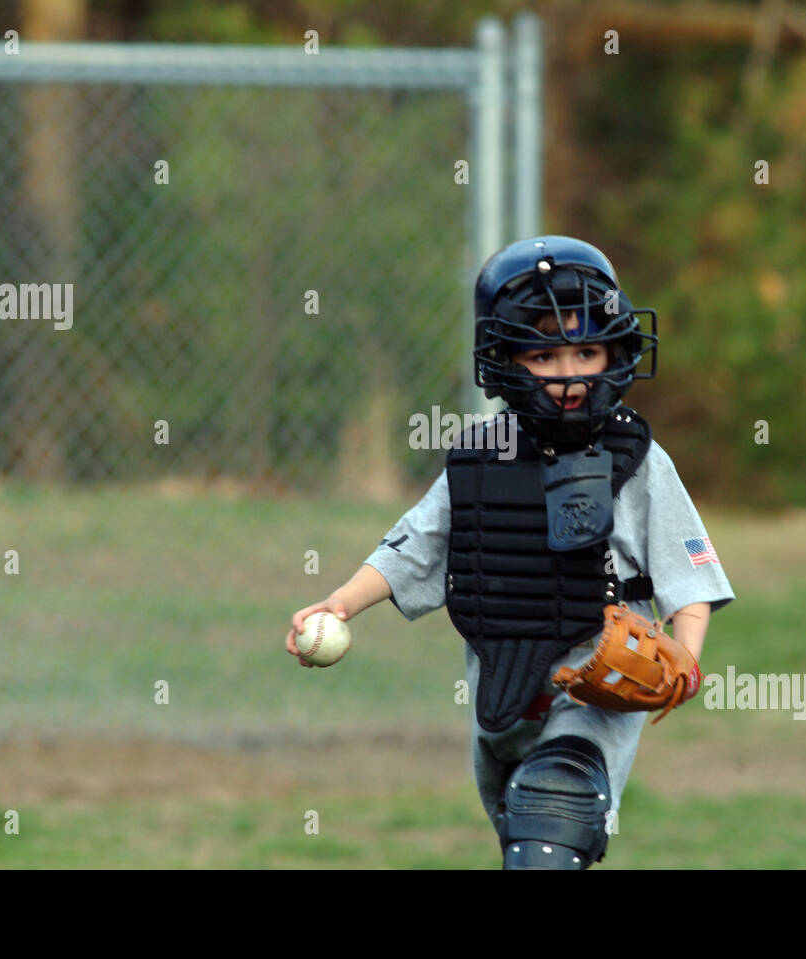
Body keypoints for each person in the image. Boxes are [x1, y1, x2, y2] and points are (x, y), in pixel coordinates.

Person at [286, 235, 734, 868]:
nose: (571, 373)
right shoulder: (479, 457)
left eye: (587, 350)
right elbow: (414, 548)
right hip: (499, 695)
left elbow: (689, 574)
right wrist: (340, 601)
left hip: (596, 695)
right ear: (504, 359)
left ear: (617, 350)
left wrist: (685, 659)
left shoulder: (637, 461)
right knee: (524, 842)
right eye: (545, 355)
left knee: (551, 822)